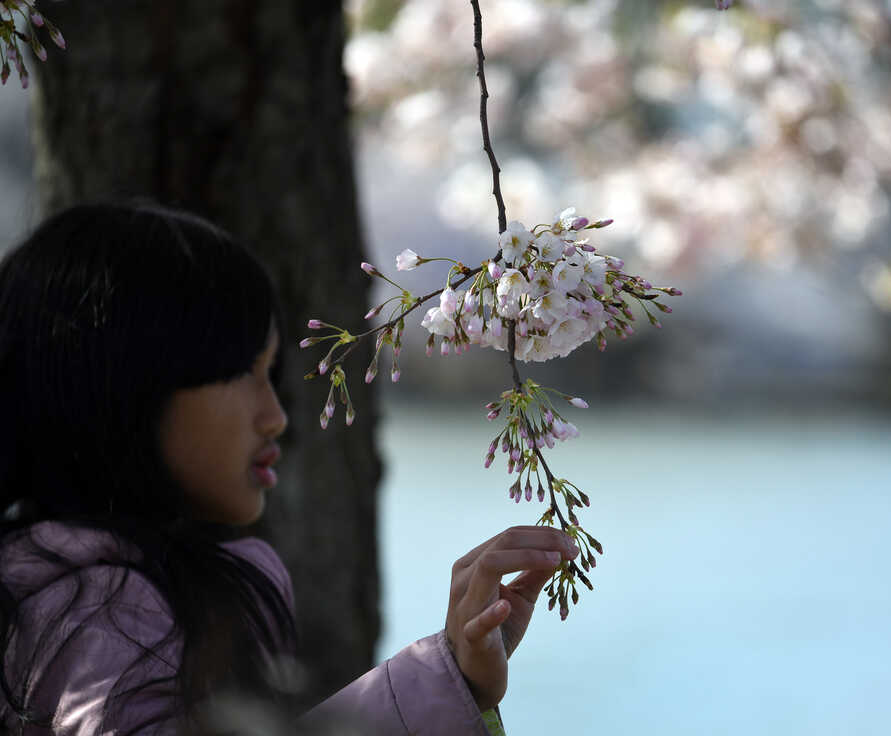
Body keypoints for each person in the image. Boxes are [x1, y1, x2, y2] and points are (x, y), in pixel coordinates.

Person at [0, 201, 579, 735]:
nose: (274, 417)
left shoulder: (68, 589)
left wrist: (454, 679)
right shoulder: (107, 610)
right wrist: (444, 682)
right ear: (122, 387)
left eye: (271, 375)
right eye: (239, 374)